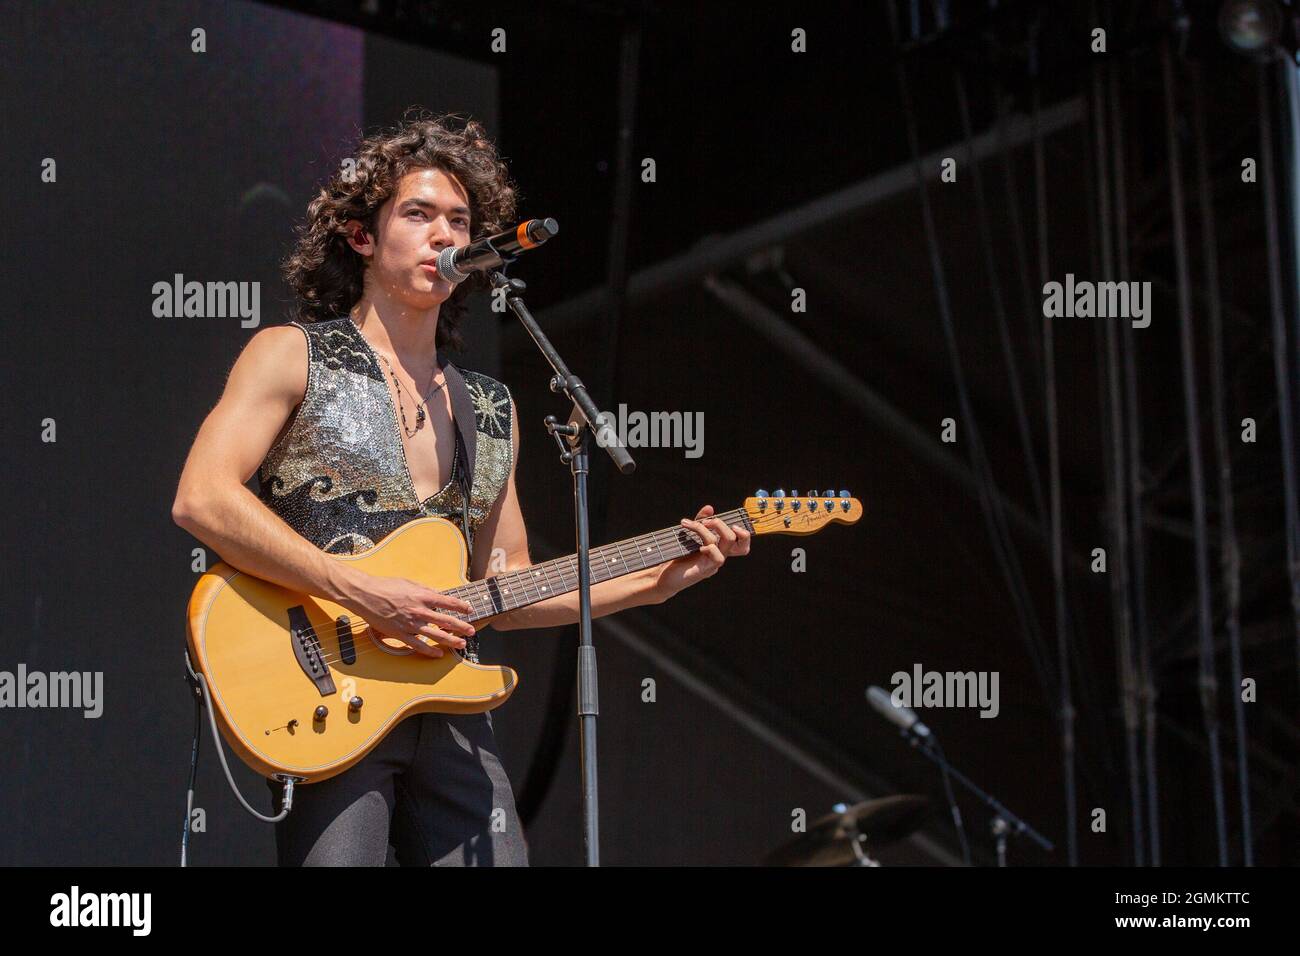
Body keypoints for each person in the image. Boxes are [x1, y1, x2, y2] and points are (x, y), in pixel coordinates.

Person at [170, 112, 750, 866]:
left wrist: (655, 583)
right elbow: (203, 497)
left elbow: (505, 587)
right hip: (328, 692)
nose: (443, 234)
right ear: (362, 237)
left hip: (450, 705)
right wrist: (362, 592)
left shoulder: (489, 407)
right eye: (418, 214)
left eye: (460, 221)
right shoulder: (292, 355)